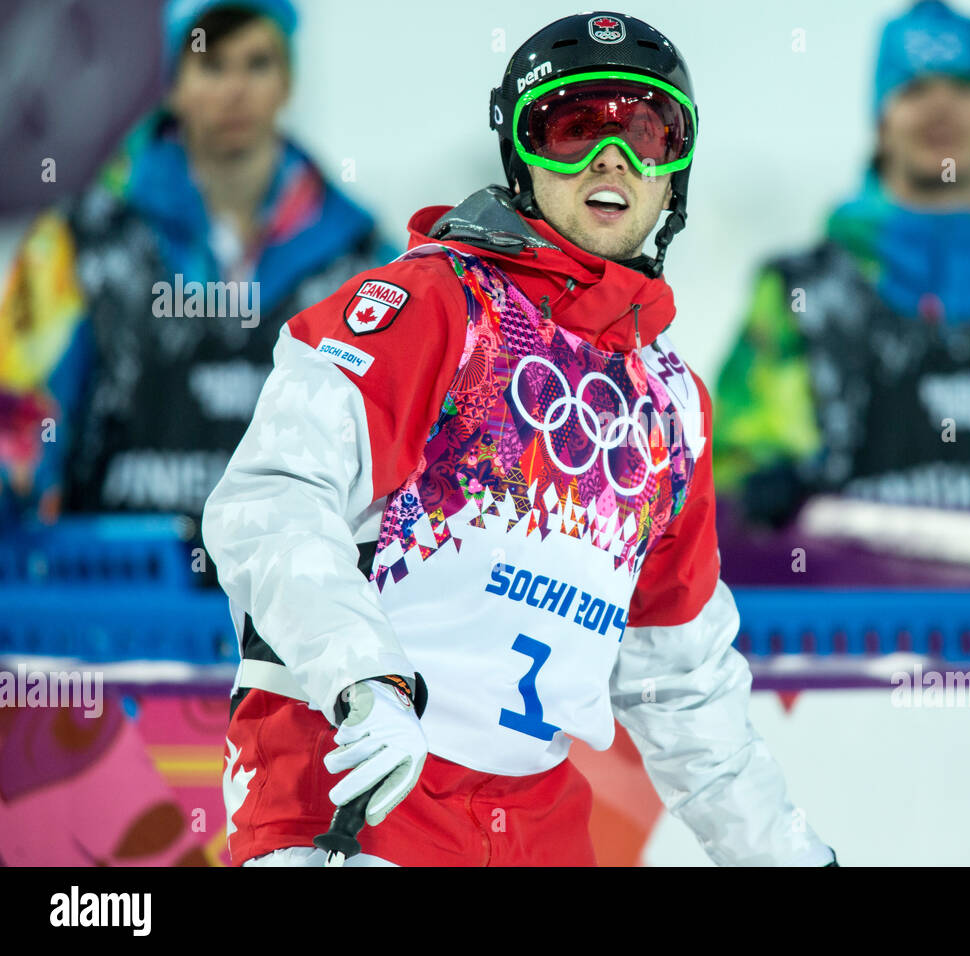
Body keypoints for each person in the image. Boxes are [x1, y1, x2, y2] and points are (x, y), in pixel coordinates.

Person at [203, 12, 837, 867]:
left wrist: (787, 855)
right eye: (574, 128)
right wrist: (366, 684)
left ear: (672, 176)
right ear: (523, 153)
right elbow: (272, 502)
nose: (610, 158)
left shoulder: (671, 403)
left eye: (645, 132)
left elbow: (681, 681)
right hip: (348, 795)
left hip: (533, 826)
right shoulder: (435, 306)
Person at [713, 0, 970, 528]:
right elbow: (731, 464)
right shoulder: (804, 292)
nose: (942, 108)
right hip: (863, 607)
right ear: (881, 123)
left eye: (964, 87)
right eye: (915, 89)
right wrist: (765, 485)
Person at [0, 0, 391, 539]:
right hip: (114, 591)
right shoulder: (78, 243)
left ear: (287, 81)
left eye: (257, 63)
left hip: (292, 601)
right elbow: (14, 422)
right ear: (174, 83)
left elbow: (392, 445)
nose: (235, 89)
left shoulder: (361, 258)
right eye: (212, 64)